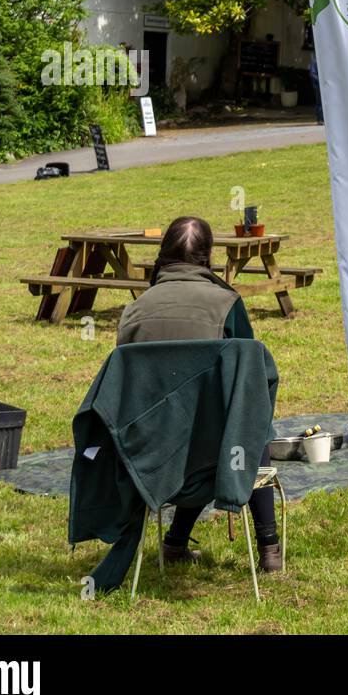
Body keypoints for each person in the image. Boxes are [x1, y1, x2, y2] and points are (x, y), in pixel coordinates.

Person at [116, 216, 282, 571]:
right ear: (208, 257)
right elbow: (249, 380)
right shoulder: (226, 303)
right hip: (217, 451)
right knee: (247, 416)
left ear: (163, 256)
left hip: (146, 454)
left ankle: (175, 541)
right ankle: (270, 548)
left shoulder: (134, 311)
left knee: (199, 416)